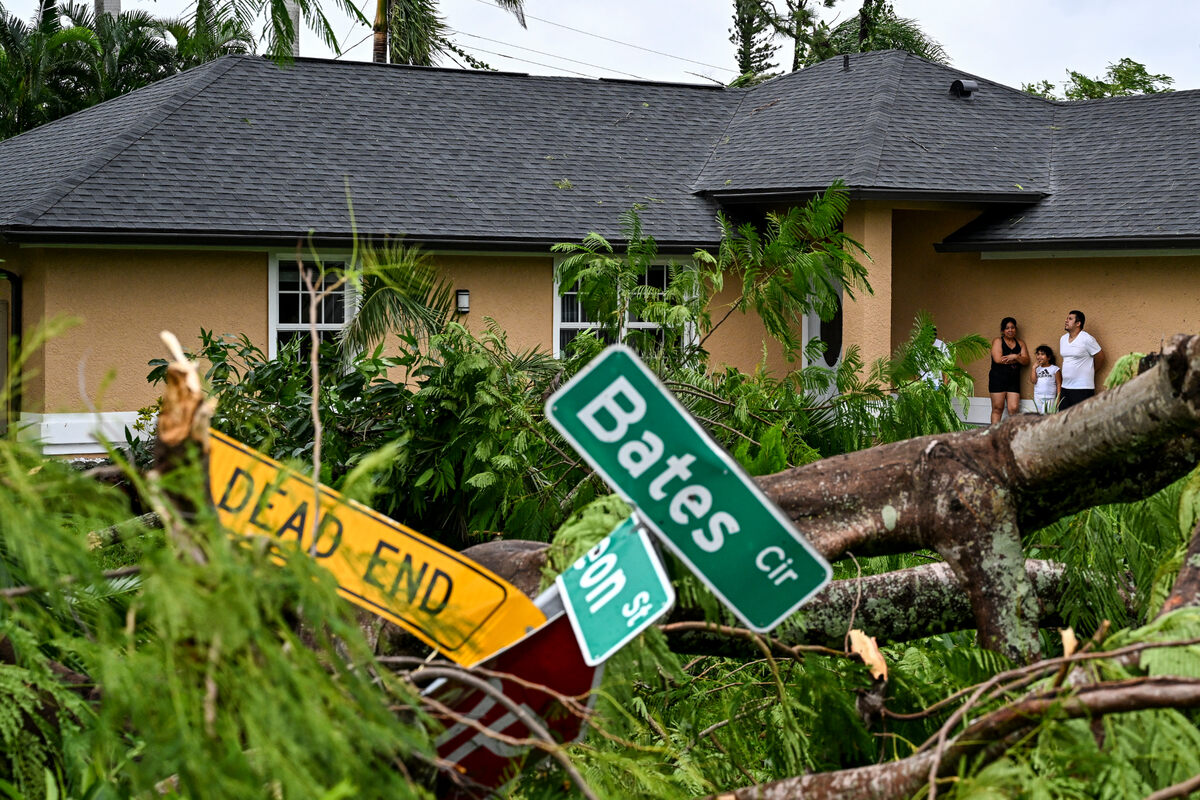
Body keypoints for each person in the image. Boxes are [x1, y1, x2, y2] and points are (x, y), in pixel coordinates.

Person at [1059, 310, 1103, 411]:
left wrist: (1092, 370)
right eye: (1067, 318)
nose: (1066, 320)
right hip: (1065, 387)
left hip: (1082, 388)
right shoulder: (1063, 339)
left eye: (1070, 319)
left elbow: (1100, 357)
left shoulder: (1086, 339)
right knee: (1063, 419)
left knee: (1081, 421)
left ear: (1078, 323)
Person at [988, 317, 1029, 423]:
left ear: (1015, 329)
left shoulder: (1020, 343)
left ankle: (1011, 435)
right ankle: (994, 435)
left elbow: (1026, 361)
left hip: (1013, 380)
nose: (1010, 330)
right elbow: (998, 359)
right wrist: (1017, 358)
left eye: (1012, 327)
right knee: (998, 408)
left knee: (1014, 408)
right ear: (1003, 330)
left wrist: (1015, 357)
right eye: (1007, 328)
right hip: (997, 378)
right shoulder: (997, 341)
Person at [1029, 345, 1062, 413]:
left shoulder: (1055, 369)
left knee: (1049, 417)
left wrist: (1058, 398)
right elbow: (1033, 381)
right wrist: (1033, 368)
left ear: (1049, 357)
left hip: (1050, 397)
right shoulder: (1037, 369)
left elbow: (1059, 384)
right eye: (1038, 354)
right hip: (1038, 397)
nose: (1039, 356)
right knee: (1040, 417)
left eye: (1042, 354)